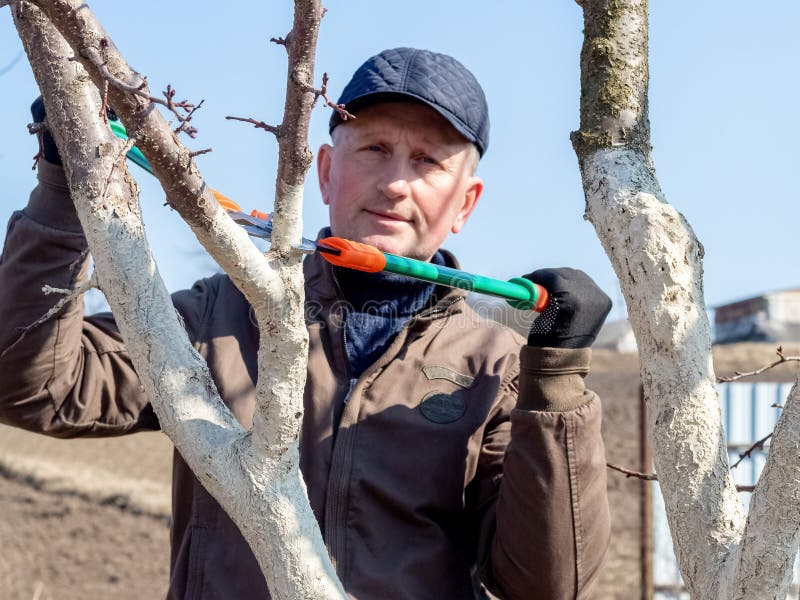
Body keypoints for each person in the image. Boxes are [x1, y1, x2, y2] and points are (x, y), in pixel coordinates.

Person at [0, 47, 612, 599]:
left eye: (427, 161)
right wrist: (64, 181)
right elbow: (31, 385)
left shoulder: (496, 367)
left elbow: (548, 585)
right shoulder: (217, 316)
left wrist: (555, 379)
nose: (396, 183)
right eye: (373, 149)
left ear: (466, 203)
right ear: (324, 171)